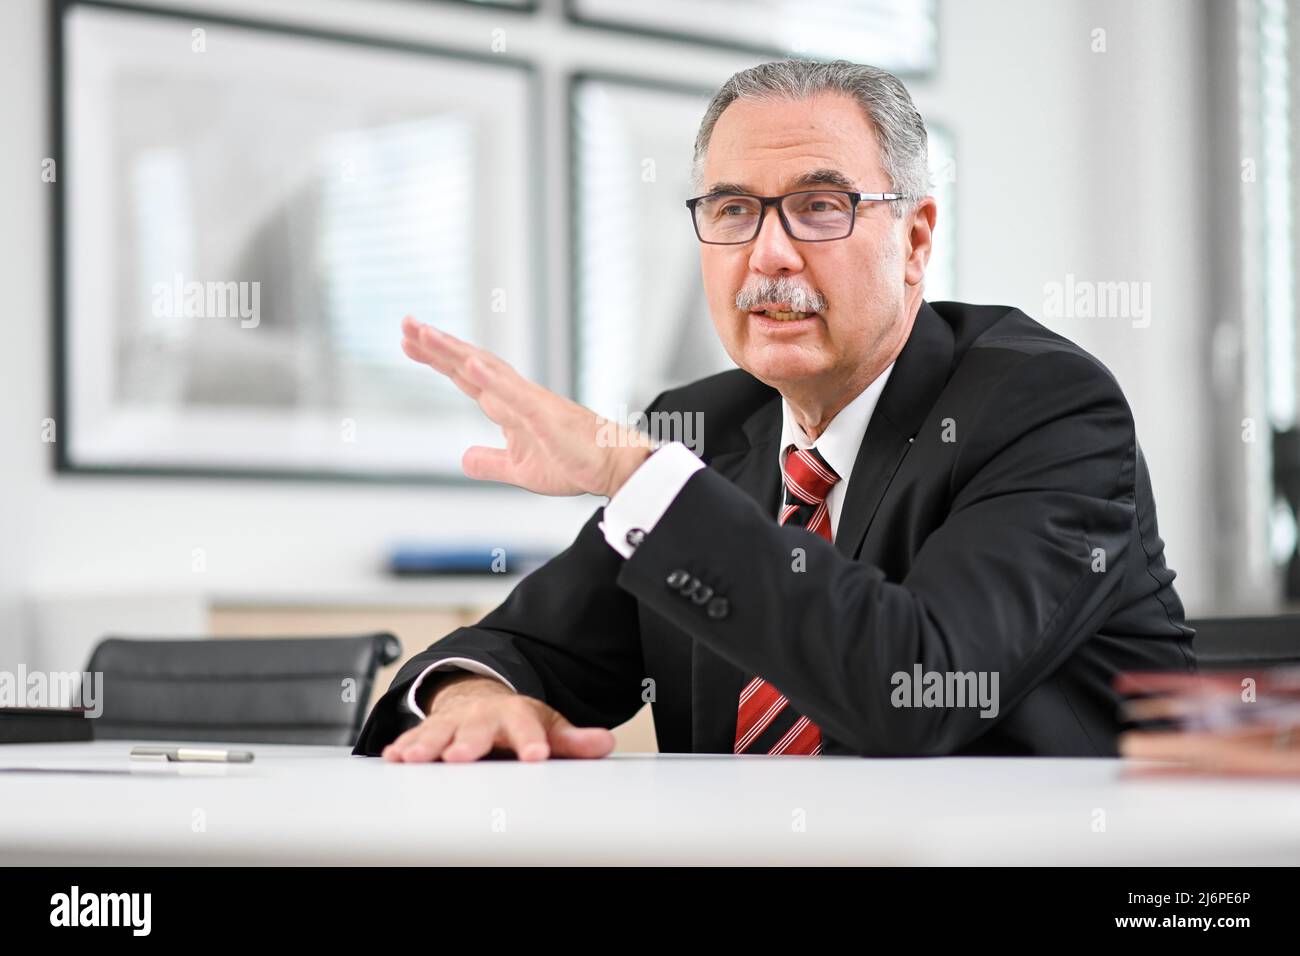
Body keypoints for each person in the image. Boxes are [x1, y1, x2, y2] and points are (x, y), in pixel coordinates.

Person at [355, 58, 1194, 763]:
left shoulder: (1045, 409)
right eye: (732, 210)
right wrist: (472, 696)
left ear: (915, 240)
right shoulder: (705, 426)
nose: (769, 254)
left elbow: (916, 687)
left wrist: (632, 476)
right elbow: (532, 646)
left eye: (822, 206)